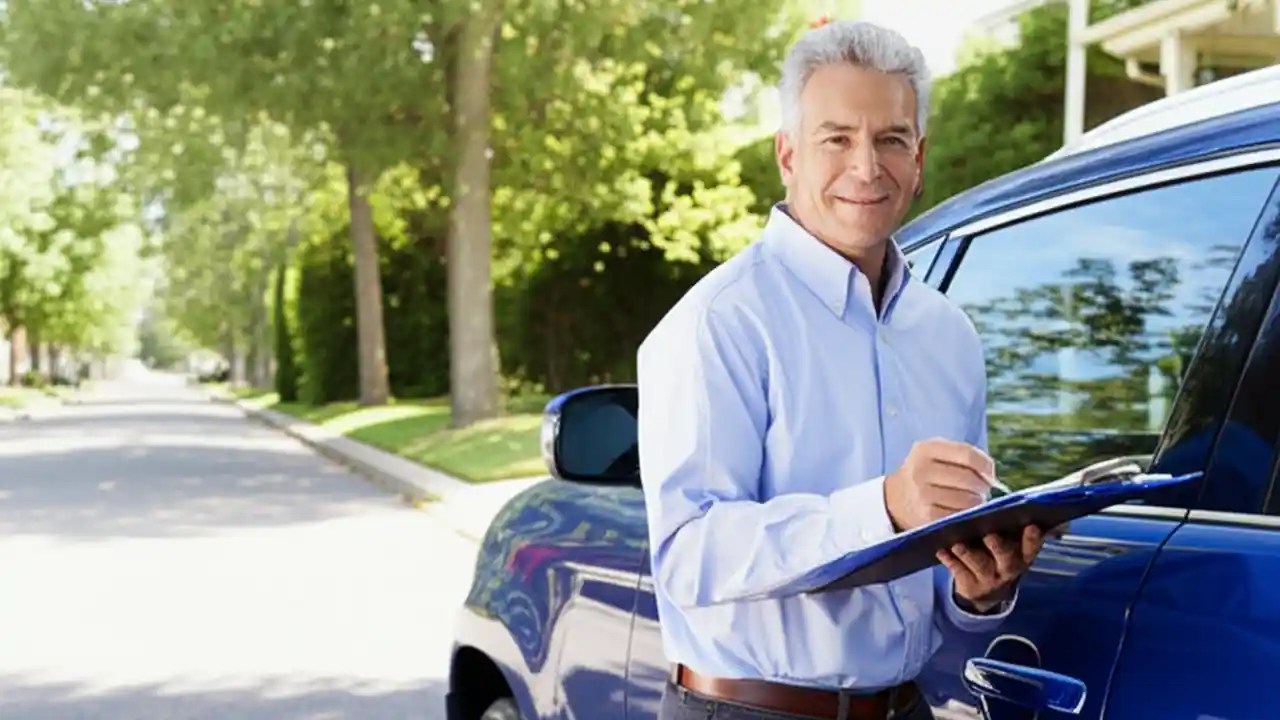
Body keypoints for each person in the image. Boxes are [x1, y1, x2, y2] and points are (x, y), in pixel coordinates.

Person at [635, 19, 1046, 720]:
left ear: (919, 159)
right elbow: (689, 553)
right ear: (788, 154)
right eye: (837, 138)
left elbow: (942, 572)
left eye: (891, 139)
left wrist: (981, 588)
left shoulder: (950, 337)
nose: (867, 167)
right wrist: (884, 506)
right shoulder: (719, 322)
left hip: (907, 707)